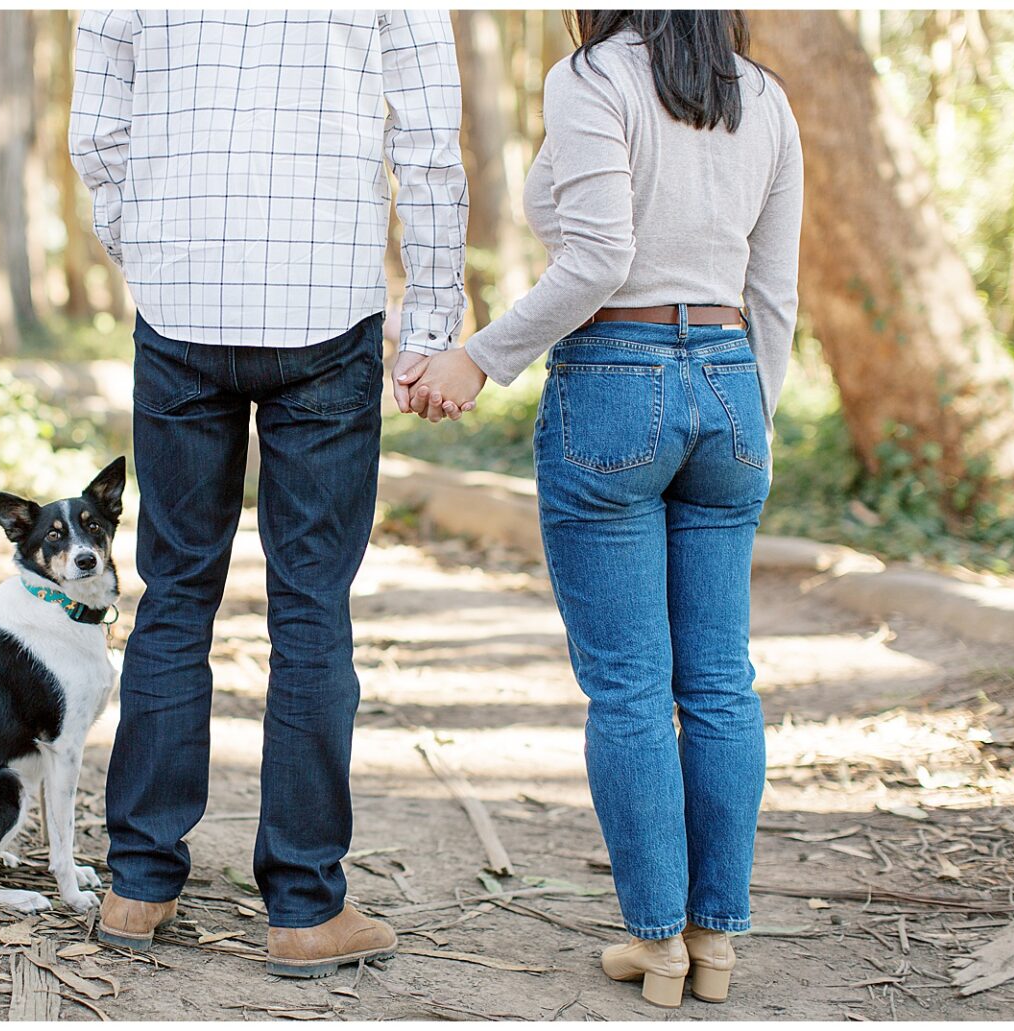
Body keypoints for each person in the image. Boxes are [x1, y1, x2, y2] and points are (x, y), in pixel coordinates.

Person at [399, 10, 803, 1009]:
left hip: (615, 383)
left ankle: (656, 943)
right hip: (730, 379)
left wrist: (478, 356)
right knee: (718, 682)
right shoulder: (767, 97)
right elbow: (776, 287)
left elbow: (599, 260)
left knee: (629, 688)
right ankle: (717, 942)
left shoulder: (593, 78)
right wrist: (750, 413)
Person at [68, 10, 468, 978]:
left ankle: (139, 881)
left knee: (174, 593)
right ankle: (301, 903)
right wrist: (433, 319)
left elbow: (96, 135)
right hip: (326, 302)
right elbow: (427, 143)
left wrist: (151, 251)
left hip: (181, 304)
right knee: (311, 608)